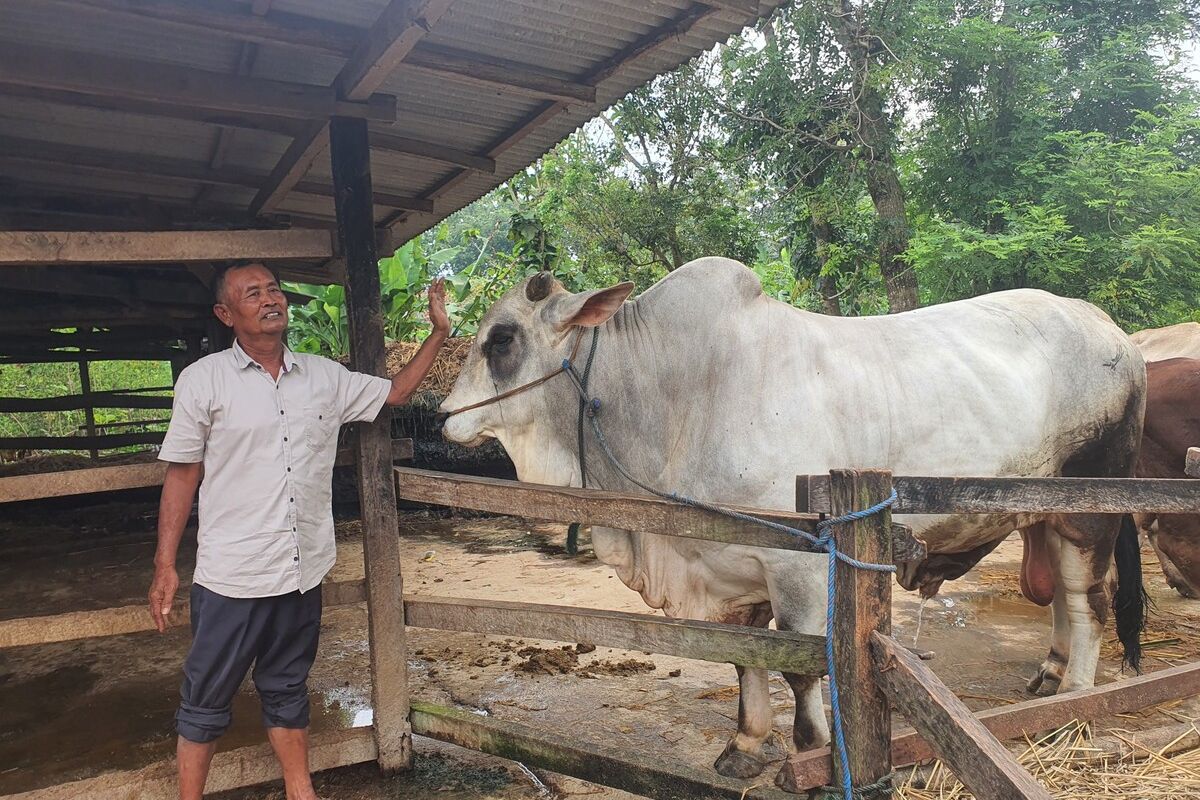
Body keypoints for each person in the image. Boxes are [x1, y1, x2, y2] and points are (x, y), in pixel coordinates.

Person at [147, 262, 449, 800]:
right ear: (226, 313)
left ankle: (299, 789)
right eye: (252, 293)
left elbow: (395, 393)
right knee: (205, 698)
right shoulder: (205, 380)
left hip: (302, 569)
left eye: (274, 289)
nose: (270, 299)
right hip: (233, 577)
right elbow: (183, 472)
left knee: (287, 686)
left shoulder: (323, 377)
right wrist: (164, 564)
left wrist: (438, 334)